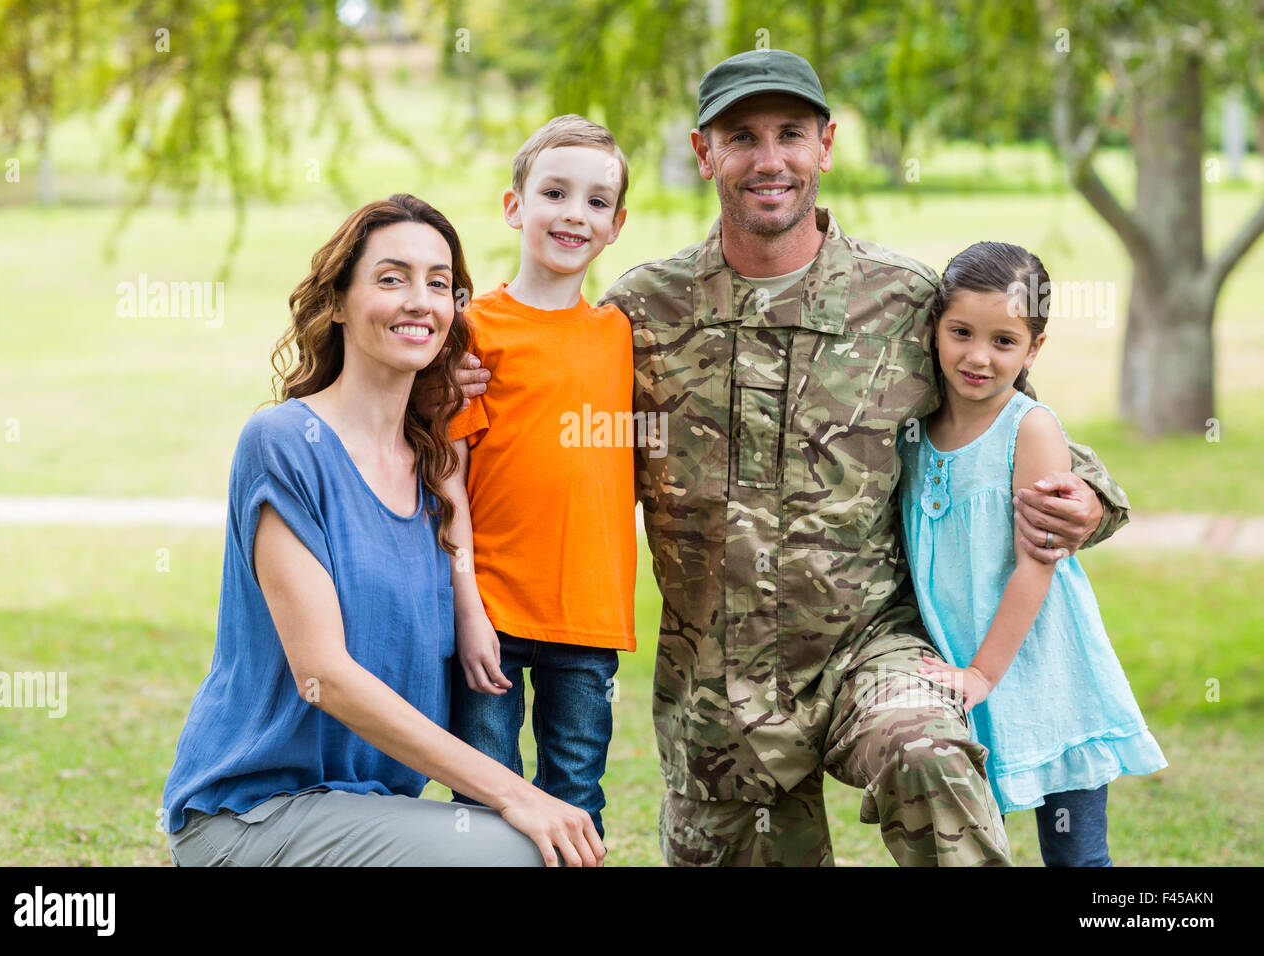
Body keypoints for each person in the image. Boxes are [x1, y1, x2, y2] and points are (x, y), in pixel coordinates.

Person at [593, 50, 1132, 866]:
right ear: (705, 153)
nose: (769, 160)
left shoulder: (908, 301)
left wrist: (1087, 498)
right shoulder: (642, 313)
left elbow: (1017, 424)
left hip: (871, 653)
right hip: (718, 688)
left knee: (929, 753)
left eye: (791, 135)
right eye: (742, 137)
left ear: (828, 145)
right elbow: (552, 434)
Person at [161, 194, 604, 867]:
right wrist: (516, 793)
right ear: (337, 300)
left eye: (439, 284)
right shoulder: (285, 443)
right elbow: (323, 677)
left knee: (547, 843)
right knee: (521, 852)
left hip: (367, 809)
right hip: (254, 815)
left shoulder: (433, 472)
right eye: (391, 278)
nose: (419, 301)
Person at [901, 241, 1167, 866]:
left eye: (1003, 341)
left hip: (1045, 669)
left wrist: (983, 675)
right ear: (934, 328)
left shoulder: (1031, 428)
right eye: (961, 332)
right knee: (969, 838)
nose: (977, 356)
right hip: (964, 655)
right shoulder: (916, 425)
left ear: (1033, 349)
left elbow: (1035, 564)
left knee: (1075, 855)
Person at [441, 115, 637, 841]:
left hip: (588, 614)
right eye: (555, 192)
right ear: (515, 206)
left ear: (616, 225)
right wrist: (466, 607)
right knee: (486, 798)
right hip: (491, 606)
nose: (573, 214)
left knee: (577, 800)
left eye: (595, 202)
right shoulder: (474, 332)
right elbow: (447, 481)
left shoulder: (621, 333)